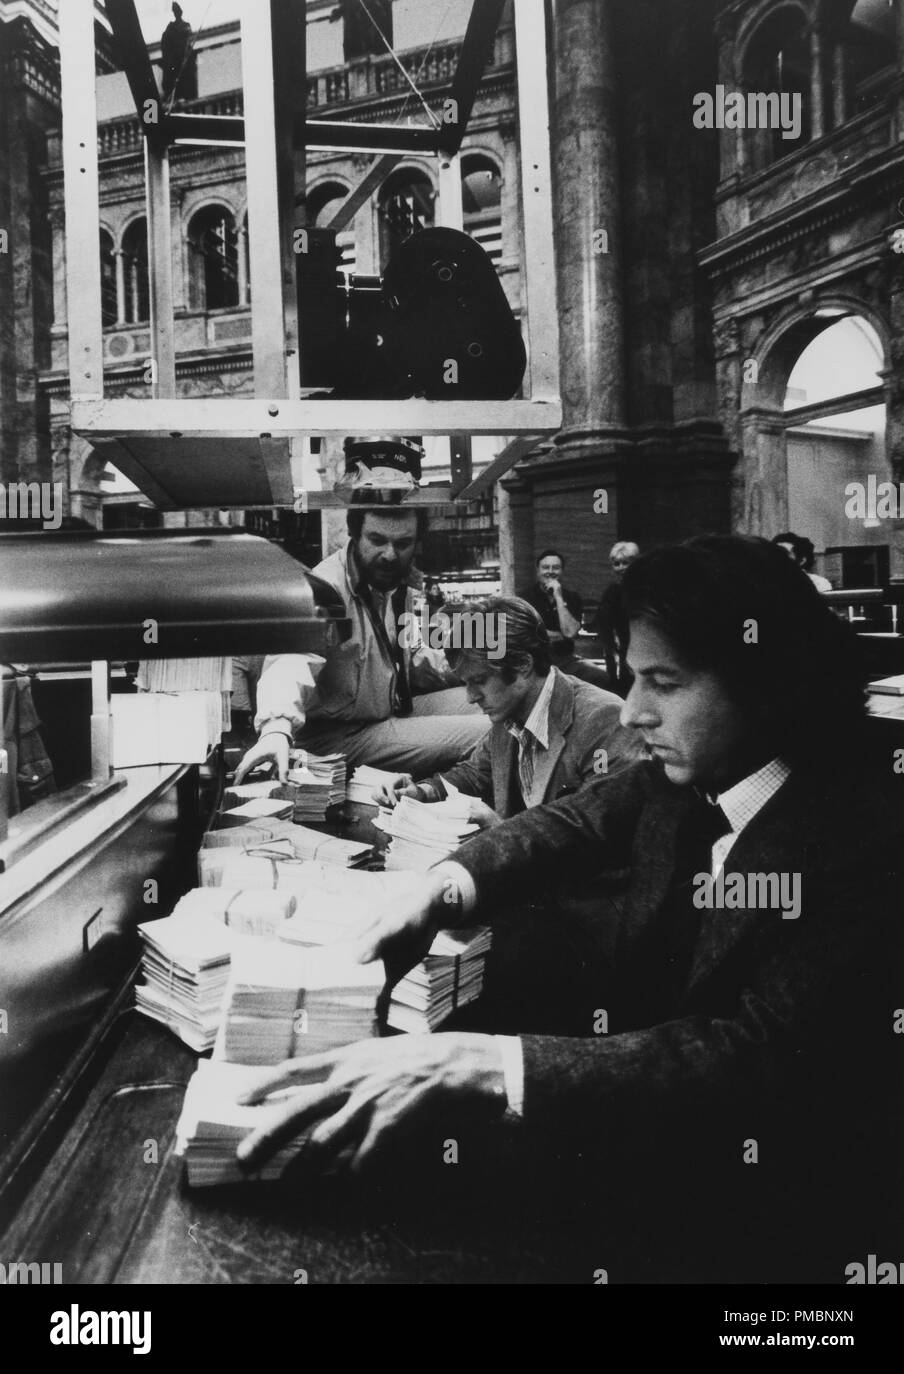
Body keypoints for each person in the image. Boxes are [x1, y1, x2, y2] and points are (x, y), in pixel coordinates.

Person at [234, 535, 902, 1283]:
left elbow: (753, 1060)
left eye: (665, 682)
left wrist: (491, 1066)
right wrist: (437, 888)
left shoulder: (868, 836)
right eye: (632, 678)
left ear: (766, 681)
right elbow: (574, 823)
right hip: (657, 1163)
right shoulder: (690, 772)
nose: (638, 710)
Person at [234, 503, 488, 783]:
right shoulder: (325, 588)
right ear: (354, 535)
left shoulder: (394, 586)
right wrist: (276, 728)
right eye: (377, 541)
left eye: (403, 543)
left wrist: (480, 665)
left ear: (416, 543)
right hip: (336, 737)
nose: (390, 555)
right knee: (489, 729)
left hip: (387, 709)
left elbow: (412, 656)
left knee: (492, 700)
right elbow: (292, 660)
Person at [376, 596, 641, 827]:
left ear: (524, 665)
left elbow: (600, 833)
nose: (469, 697)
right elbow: (476, 773)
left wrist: (500, 831)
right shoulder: (510, 714)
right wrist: (422, 791)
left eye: (479, 681)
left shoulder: (602, 722)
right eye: (466, 683)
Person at [520, 550, 609, 690]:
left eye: (555, 567)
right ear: (538, 571)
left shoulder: (572, 597)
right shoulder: (525, 598)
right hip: (536, 662)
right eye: (545, 567)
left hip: (567, 661)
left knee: (601, 677)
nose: (550, 571)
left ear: (562, 571)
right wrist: (554, 635)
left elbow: (570, 633)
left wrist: (559, 597)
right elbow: (526, 634)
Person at [593, 540, 640, 696]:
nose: (620, 568)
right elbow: (603, 626)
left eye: (625, 563)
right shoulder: (611, 593)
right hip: (617, 655)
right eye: (616, 564)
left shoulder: (645, 591)